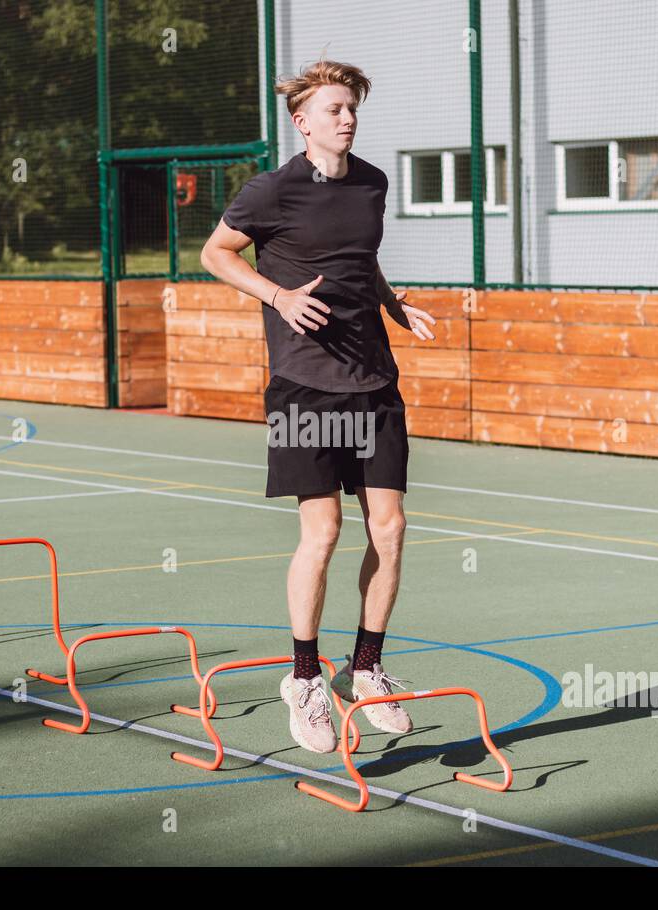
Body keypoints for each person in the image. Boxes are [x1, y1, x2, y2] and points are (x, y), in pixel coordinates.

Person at [200, 60, 439, 753]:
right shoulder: (269, 192)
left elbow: (360, 261)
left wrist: (394, 307)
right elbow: (215, 253)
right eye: (333, 109)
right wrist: (276, 296)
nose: (346, 118)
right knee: (325, 532)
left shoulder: (372, 184)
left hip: (375, 382)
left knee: (389, 529)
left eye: (352, 108)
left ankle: (365, 668)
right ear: (303, 121)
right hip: (305, 385)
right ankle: (304, 677)